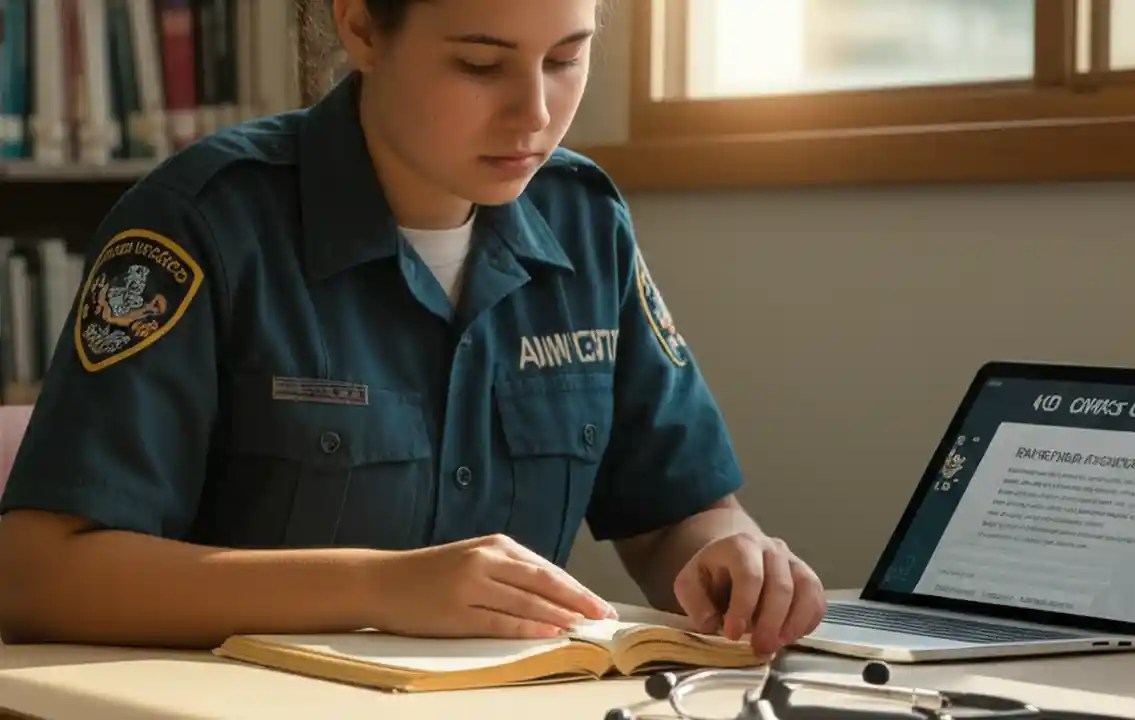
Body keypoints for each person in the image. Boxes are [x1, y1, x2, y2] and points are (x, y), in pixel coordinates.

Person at [0, 0, 826, 657]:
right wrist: (380, 588)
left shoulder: (583, 220)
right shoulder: (200, 223)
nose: (534, 112)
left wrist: (736, 560)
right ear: (359, 26)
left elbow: (677, 514)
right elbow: (37, 577)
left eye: (566, 57)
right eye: (479, 63)